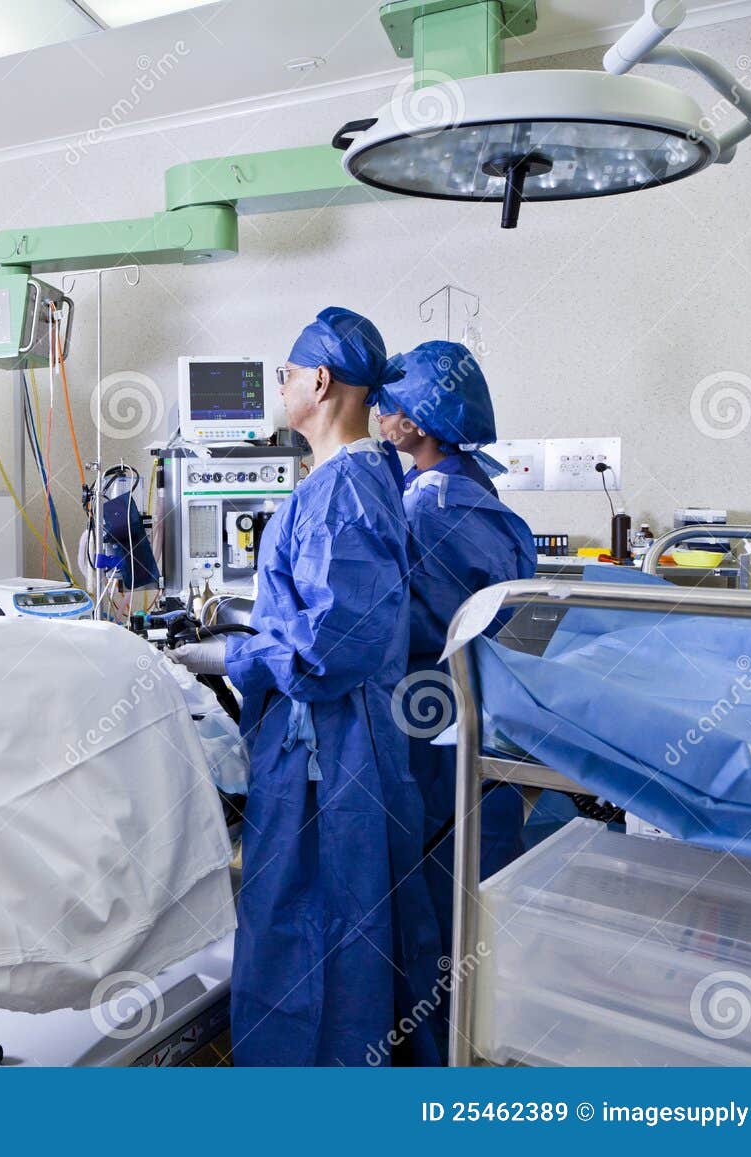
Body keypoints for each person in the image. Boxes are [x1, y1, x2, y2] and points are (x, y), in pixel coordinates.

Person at [172, 307, 441, 1066]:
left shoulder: (342, 491)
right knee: (355, 931)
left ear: (319, 382)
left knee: (312, 934)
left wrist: (228, 658)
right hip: (341, 743)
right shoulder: (355, 479)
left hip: (329, 756)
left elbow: (330, 646)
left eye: (286, 374)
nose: (281, 387)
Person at [376, 342, 536, 987]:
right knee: (480, 848)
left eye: (386, 407)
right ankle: (480, 995)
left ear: (415, 423)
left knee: (438, 854)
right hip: (483, 700)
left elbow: (416, 618)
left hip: (433, 702)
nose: (378, 417)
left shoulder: (424, 508)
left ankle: (443, 1003)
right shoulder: (473, 487)